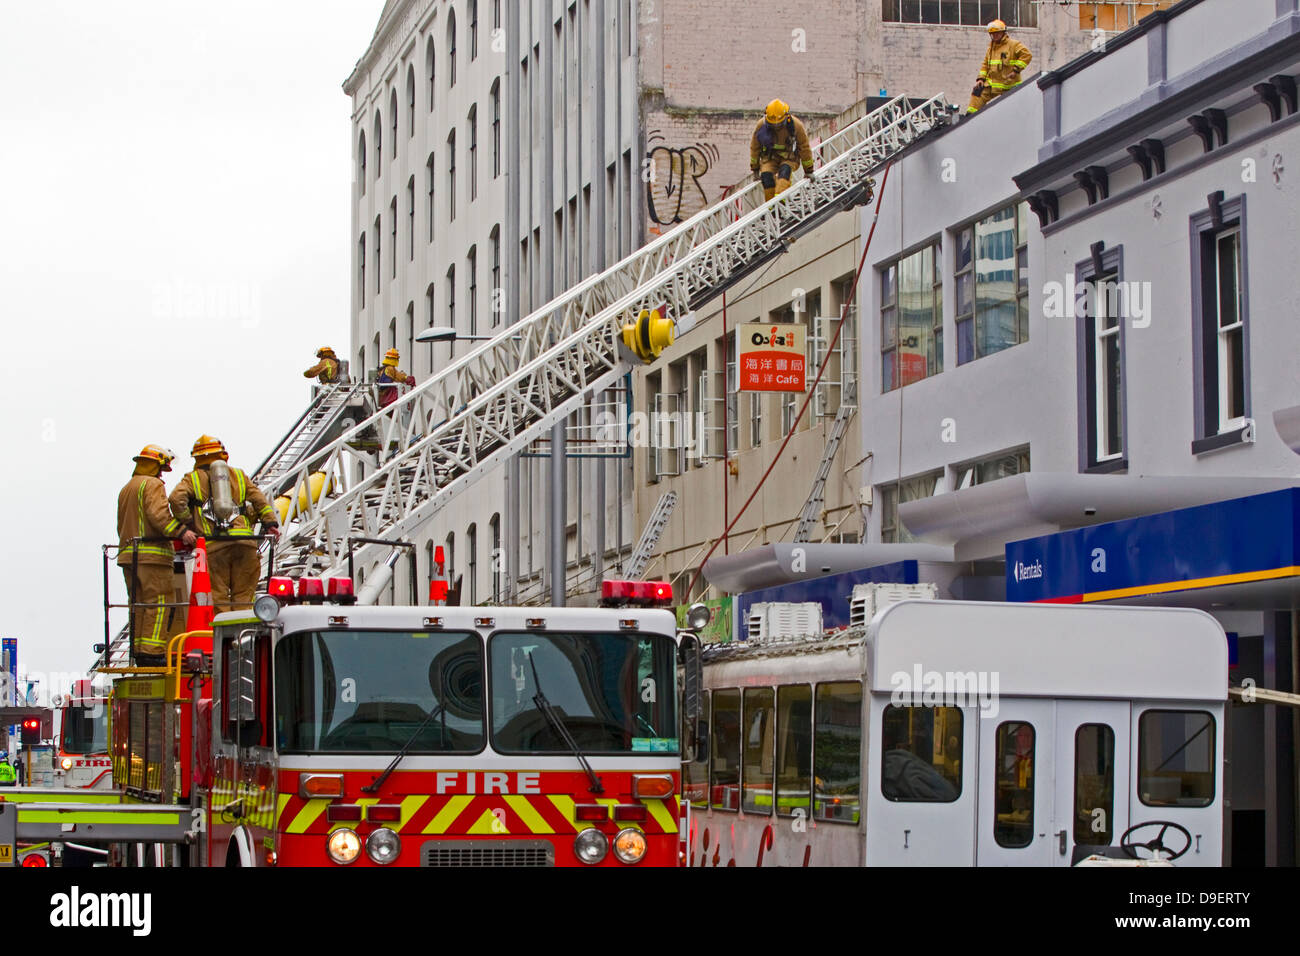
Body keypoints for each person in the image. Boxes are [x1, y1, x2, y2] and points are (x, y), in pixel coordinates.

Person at [169, 435, 279, 615]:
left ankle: (224, 641)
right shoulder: (238, 475)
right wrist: (270, 523)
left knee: (219, 599)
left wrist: (187, 522)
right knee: (243, 597)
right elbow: (259, 500)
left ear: (197, 458)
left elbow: (175, 499)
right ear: (222, 454)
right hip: (245, 543)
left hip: (214, 546)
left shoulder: (192, 479)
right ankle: (242, 638)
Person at [118, 445, 196, 666]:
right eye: (162, 468)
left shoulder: (128, 488)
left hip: (129, 556)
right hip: (152, 558)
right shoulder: (152, 484)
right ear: (155, 465)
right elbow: (159, 515)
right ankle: (152, 653)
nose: (163, 473)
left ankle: (140, 650)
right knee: (159, 602)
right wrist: (183, 532)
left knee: (138, 604)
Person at [750, 99, 815, 202]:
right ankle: (771, 208)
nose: (776, 127)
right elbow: (755, 147)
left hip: (789, 158)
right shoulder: (761, 125)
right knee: (766, 178)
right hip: (769, 158)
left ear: (786, 117)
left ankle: (781, 205)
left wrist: (809, 170)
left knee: (784, 176)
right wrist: (755, 169)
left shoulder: (796, 125)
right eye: (772, 125)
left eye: (779, 124)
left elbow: (804, 147)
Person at [967, 19, 1032, 115]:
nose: (995, 36)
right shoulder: (991, 48)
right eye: (992, 34)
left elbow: (1027, 55)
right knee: (977, 93)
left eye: (997, 33)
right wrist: (980, 79)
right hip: (992, 84)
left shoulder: (1013, 45)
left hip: (1009, 84)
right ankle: (969, 118)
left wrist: (1016, 70)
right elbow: (985, 64)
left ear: (1003, 33)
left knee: (1011, 110)